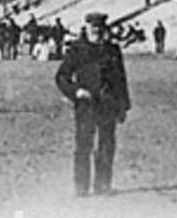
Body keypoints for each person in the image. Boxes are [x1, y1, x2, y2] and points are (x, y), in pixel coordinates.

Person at [54, 12, 131, 197]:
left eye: (100, 27)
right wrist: (75, 91)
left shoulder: (112, 50)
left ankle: (103, 185)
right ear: (87, 27)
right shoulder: (77, 49)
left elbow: (121, 79)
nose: (96, 30)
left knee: (107, 145)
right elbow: (61, 77)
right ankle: (81, 187)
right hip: (86, 105)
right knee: (83, 145)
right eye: (93, 27)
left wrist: (123, 106)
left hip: (108, 103)